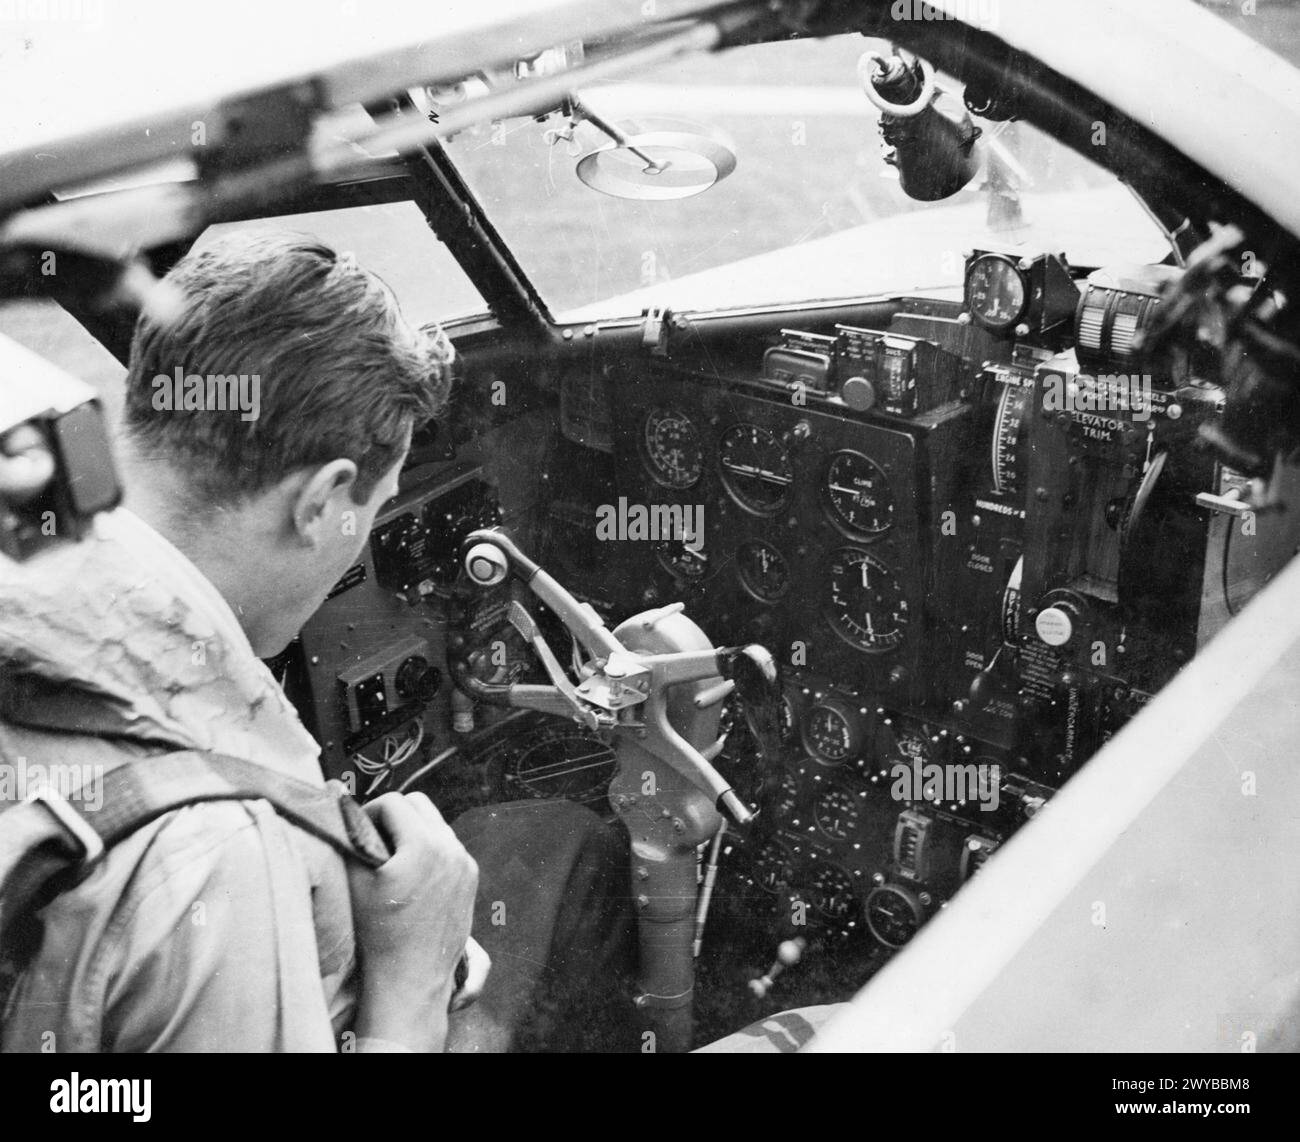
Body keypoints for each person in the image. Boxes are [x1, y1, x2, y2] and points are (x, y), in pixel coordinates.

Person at [0, 231, 633, 1053]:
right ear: (324, 499)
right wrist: (413, 978)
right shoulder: (218, 856)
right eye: (376, 508)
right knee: (565, 842)